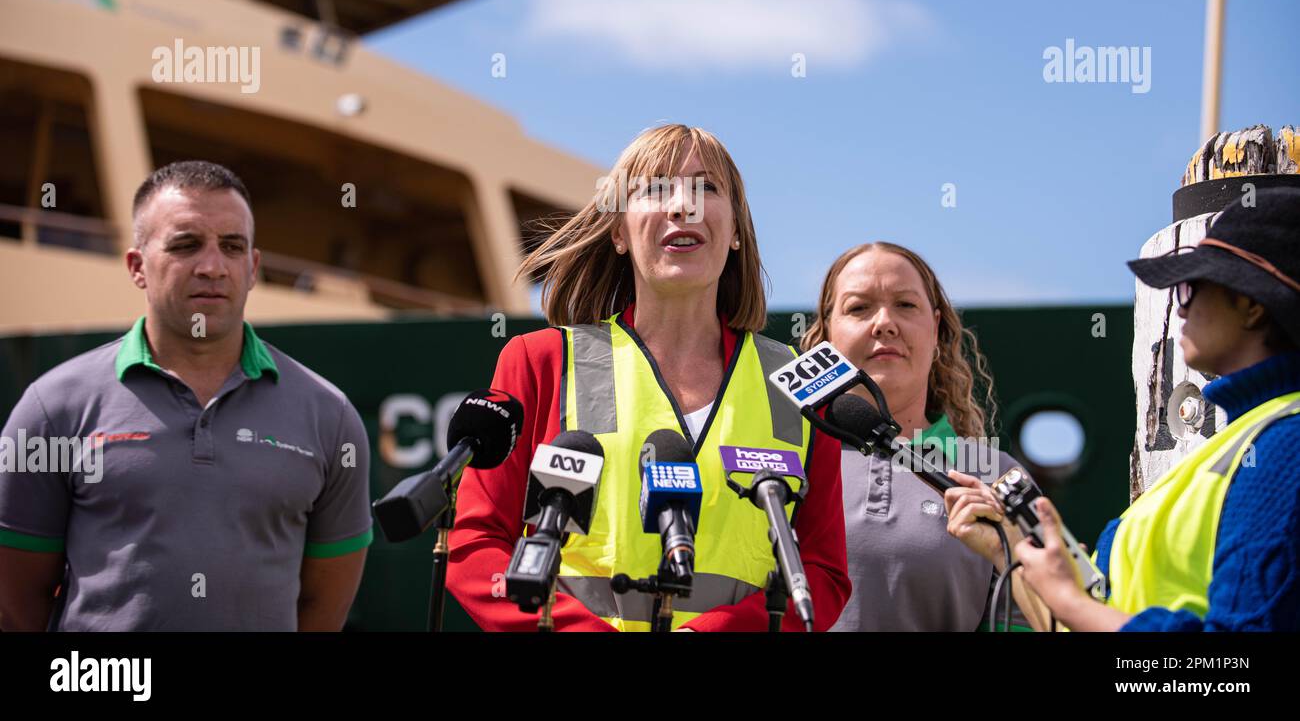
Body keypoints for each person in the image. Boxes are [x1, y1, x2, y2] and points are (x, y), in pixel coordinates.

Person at [447, 124, 850, 631]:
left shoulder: (796, 383)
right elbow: (475, 545)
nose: (683, 206)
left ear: (737, 232)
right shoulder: (539, 361)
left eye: (706, 187)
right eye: (655, 189)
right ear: (618, 232)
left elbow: (824, 572)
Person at [0, 161, 373, 630]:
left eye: (232, 247)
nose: (213, 267)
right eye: (186, 245)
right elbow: (17, 606)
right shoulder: (52, 408)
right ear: (137, 266)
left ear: (253, 267)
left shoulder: (329, 416)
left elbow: (324, 606)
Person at [948, 187, 1300, 631]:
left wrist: (1070, 602)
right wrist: (1009, 544)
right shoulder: (1250, 439)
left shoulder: (1285, 446)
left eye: (1191, 287)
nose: (1177, 304)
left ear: (1251, 307)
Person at [803, 241, 1035, 631]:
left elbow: (1042, 618)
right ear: (826, 334)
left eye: (906, 305)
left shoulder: (998, 474)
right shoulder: (787, 457)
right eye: (858, 307)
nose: (884, 323)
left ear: (936, 328)